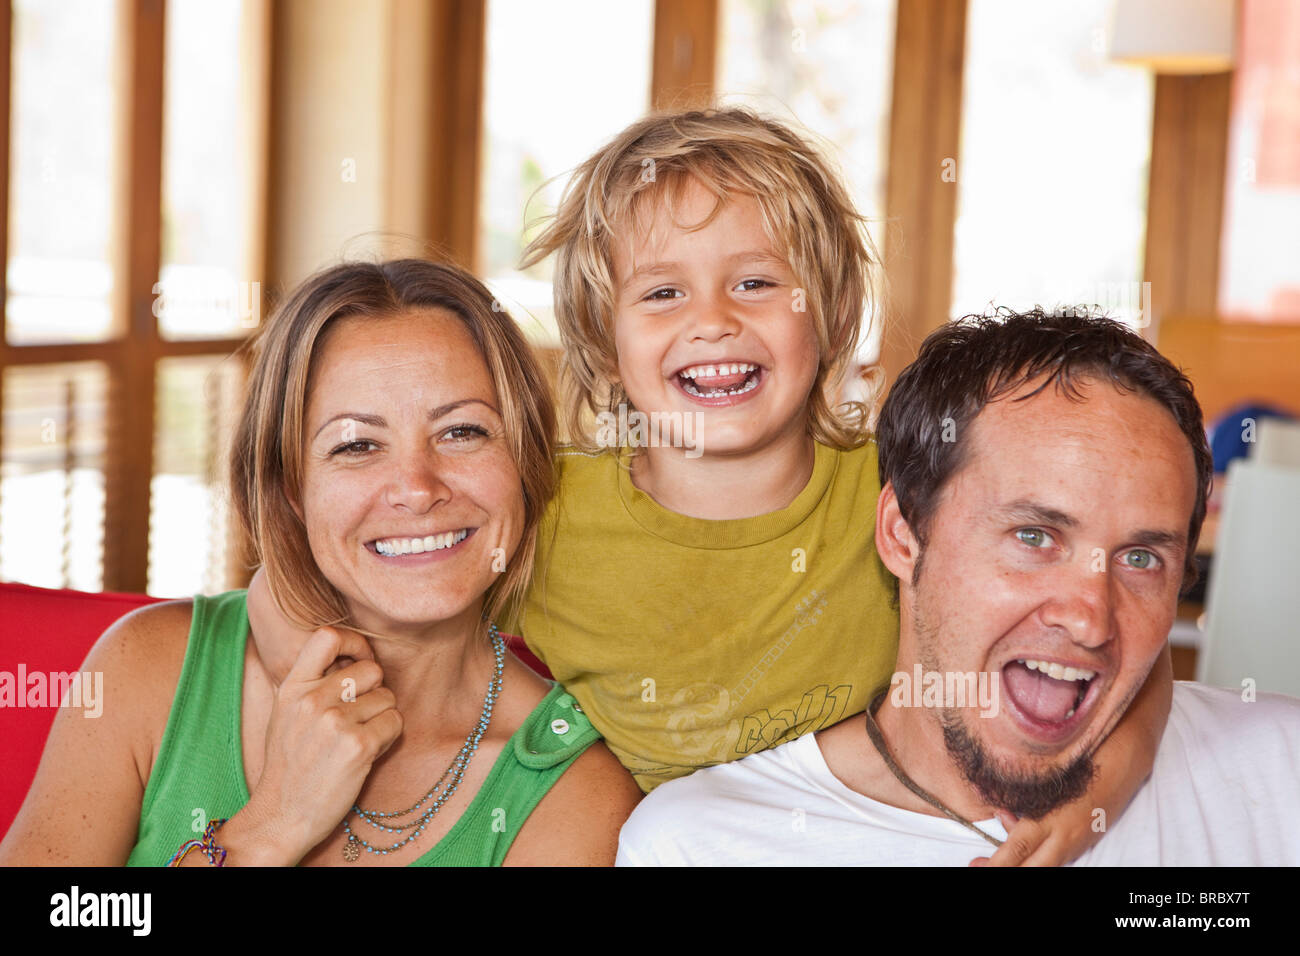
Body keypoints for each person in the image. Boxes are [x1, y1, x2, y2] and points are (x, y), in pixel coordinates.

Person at [247, 108, 1170, 864]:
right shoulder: (547, 513)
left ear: (832, 318)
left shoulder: (898, 491)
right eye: (661, 295)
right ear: (604, 345)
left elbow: (1102, 633)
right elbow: (303, 591)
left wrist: (1105, 785)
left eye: (758, 282)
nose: (714, 322)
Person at [0, 259, 641, 867]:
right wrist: (269, 826)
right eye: (358, 444)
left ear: (525, 466)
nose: (417, 488)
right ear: (290, 490)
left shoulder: (572, 791)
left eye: (462, 432)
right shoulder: (146, 670)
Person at [615, 309, 1300, 866]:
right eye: (1034, 537)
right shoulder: (701, 847)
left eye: (1141, 559)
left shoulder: (1281, 769)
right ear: (902, 534)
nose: (1091, 619)